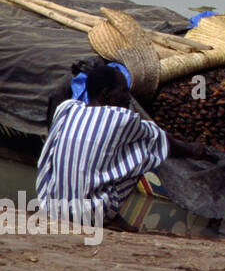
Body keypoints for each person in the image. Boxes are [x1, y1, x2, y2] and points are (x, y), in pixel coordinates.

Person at [36, 61, 209, 226]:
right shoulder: (121, 118)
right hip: (90, 215)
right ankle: (110, 215)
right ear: (106, 94)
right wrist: (194, 150)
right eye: (124, 91)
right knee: (143, 149)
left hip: (51, 207)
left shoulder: (67, 108)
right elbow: (160, 139)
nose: (128, 98)